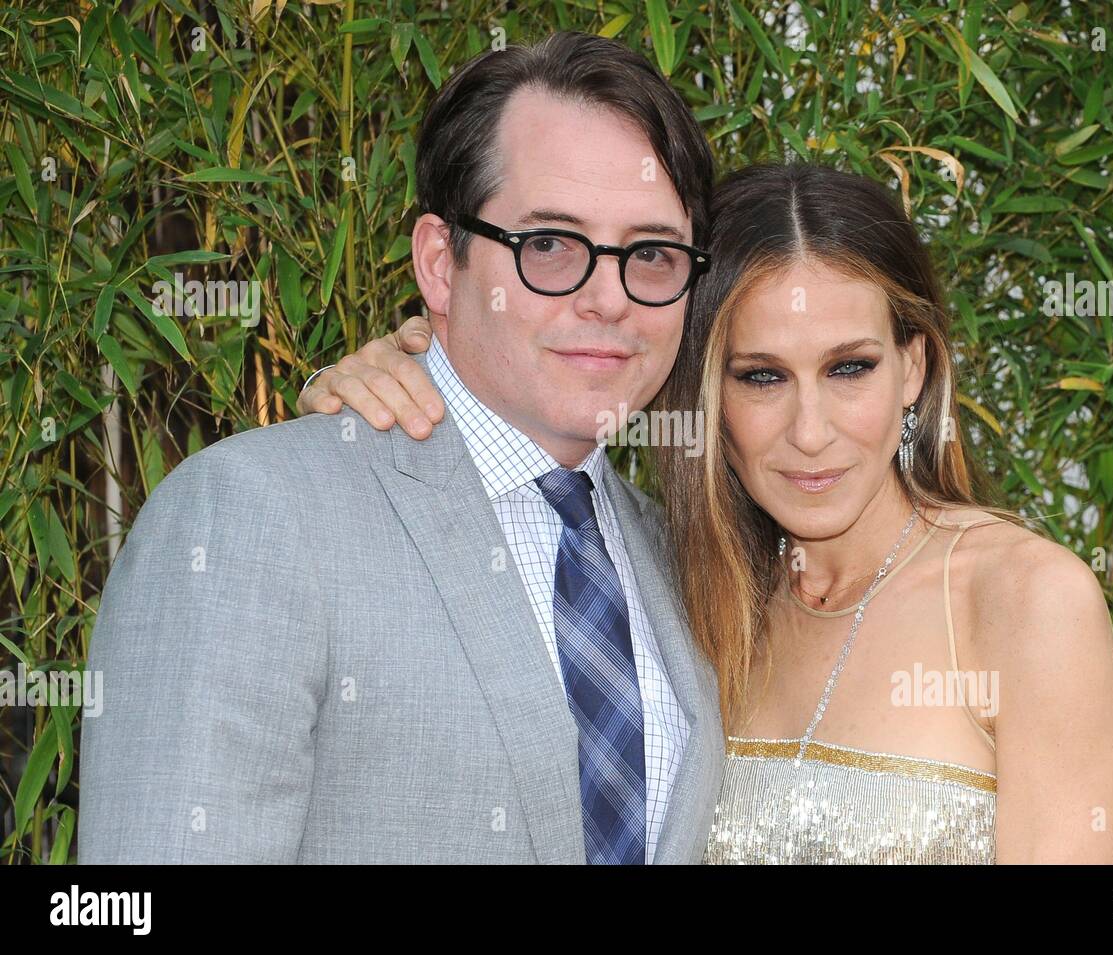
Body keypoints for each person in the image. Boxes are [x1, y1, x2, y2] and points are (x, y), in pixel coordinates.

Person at [301, 162, 1113, 863]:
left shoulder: (1026, 602)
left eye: (850, 368)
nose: (811, 433)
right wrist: (405, 389)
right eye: (761, 376)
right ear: (705, 391)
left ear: (912, 369)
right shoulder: (671, 588)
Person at [78, 32, 723, 864]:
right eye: (550, 245)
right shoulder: (252, 517)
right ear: (439, 265)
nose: (609, 297)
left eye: (651, 254)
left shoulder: (683, 553)